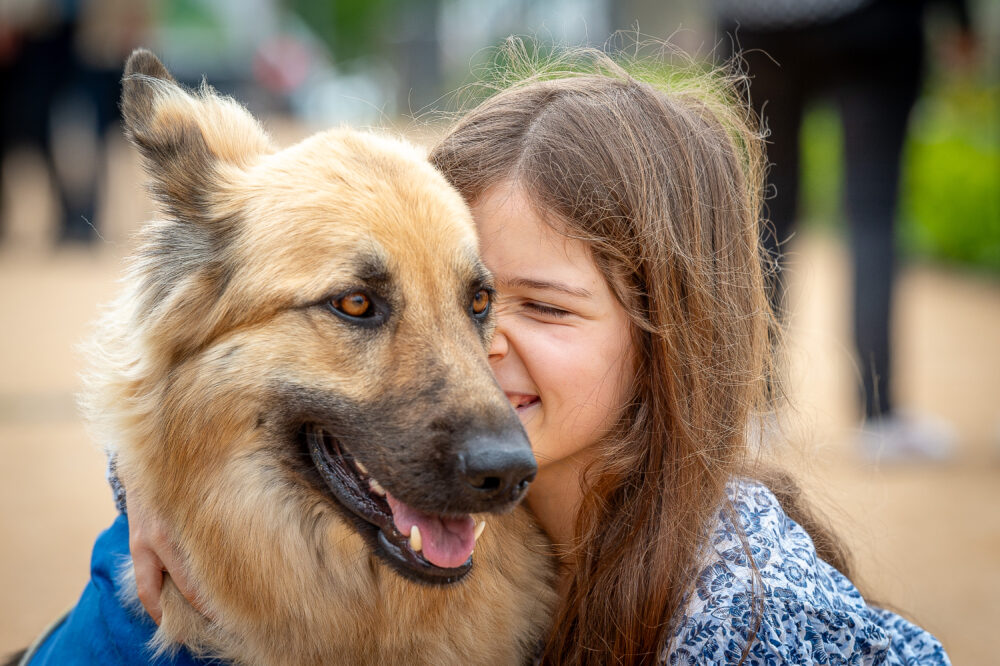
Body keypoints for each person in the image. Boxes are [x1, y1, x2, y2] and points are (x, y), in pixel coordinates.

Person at [117, 42, 948, 664]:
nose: (478, 351)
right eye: (362, 305)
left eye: (541, 306)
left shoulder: (750, 611)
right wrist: (145, 482)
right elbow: (173, 368)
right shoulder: (473, 502)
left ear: (672, 337)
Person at [714, 0, 974, 460]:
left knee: (764, 208)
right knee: (873, 210)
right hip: (868, 20)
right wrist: (960, 20)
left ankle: (754, 410)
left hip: (755, 19)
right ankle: (879, 417)